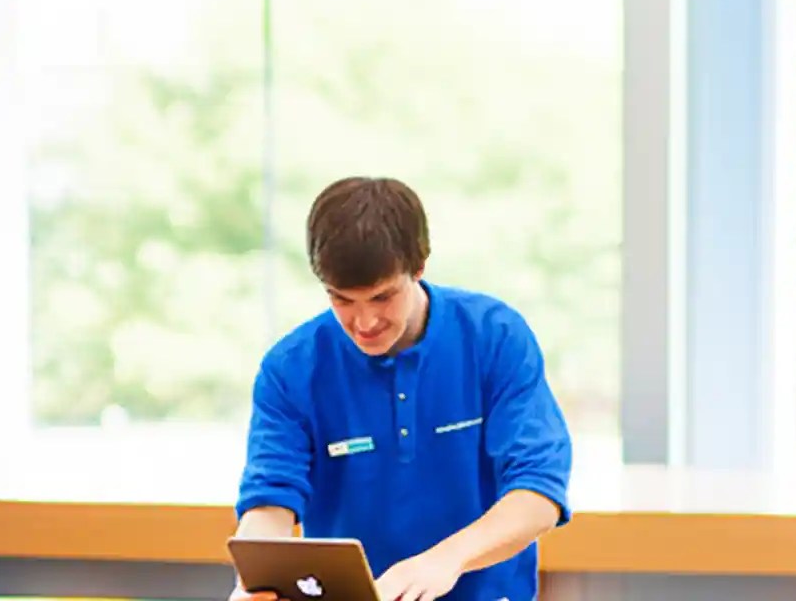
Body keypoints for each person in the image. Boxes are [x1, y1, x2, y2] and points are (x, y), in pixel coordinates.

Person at [227, 176, 572, 601]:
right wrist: (256, 575)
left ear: (419, 266)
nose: (365, 322)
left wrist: (445, 560)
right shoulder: (290, 369)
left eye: (382, 297)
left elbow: (539, 494)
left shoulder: (495, 337)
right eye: (342, 300)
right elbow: (270, 500)